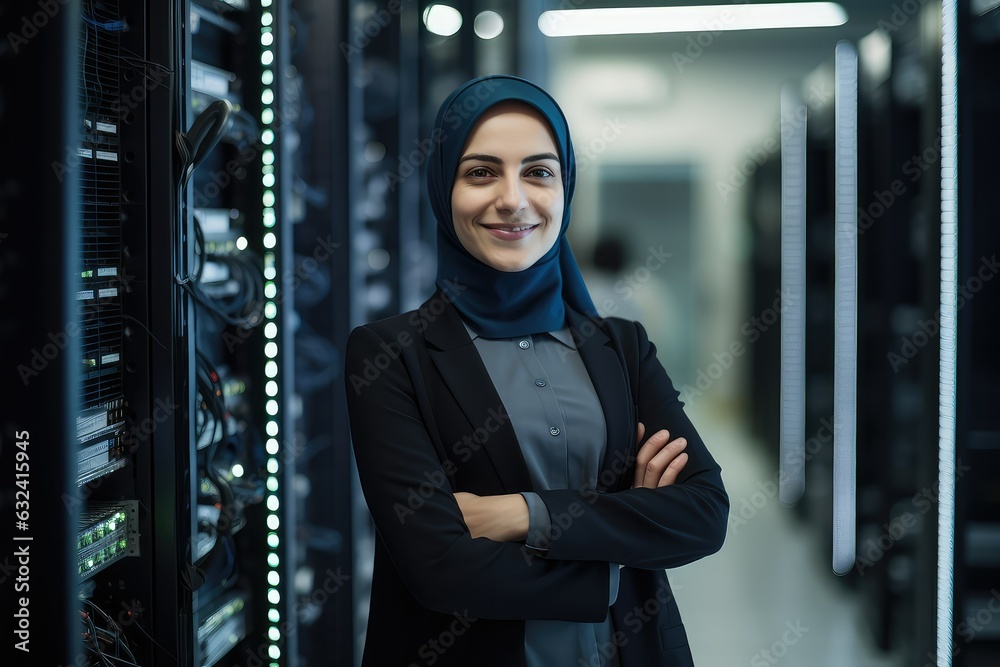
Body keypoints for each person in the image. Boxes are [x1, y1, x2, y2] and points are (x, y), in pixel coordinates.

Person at [345, 74, 728, 667]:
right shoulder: (390, 355)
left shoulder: (622, 347)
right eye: (481, 172)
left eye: (538, 172)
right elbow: (439, 566)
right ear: (442, 189)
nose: (513, 199)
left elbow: (703, 514)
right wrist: (620, 549)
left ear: (566, 187)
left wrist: (521, 514)